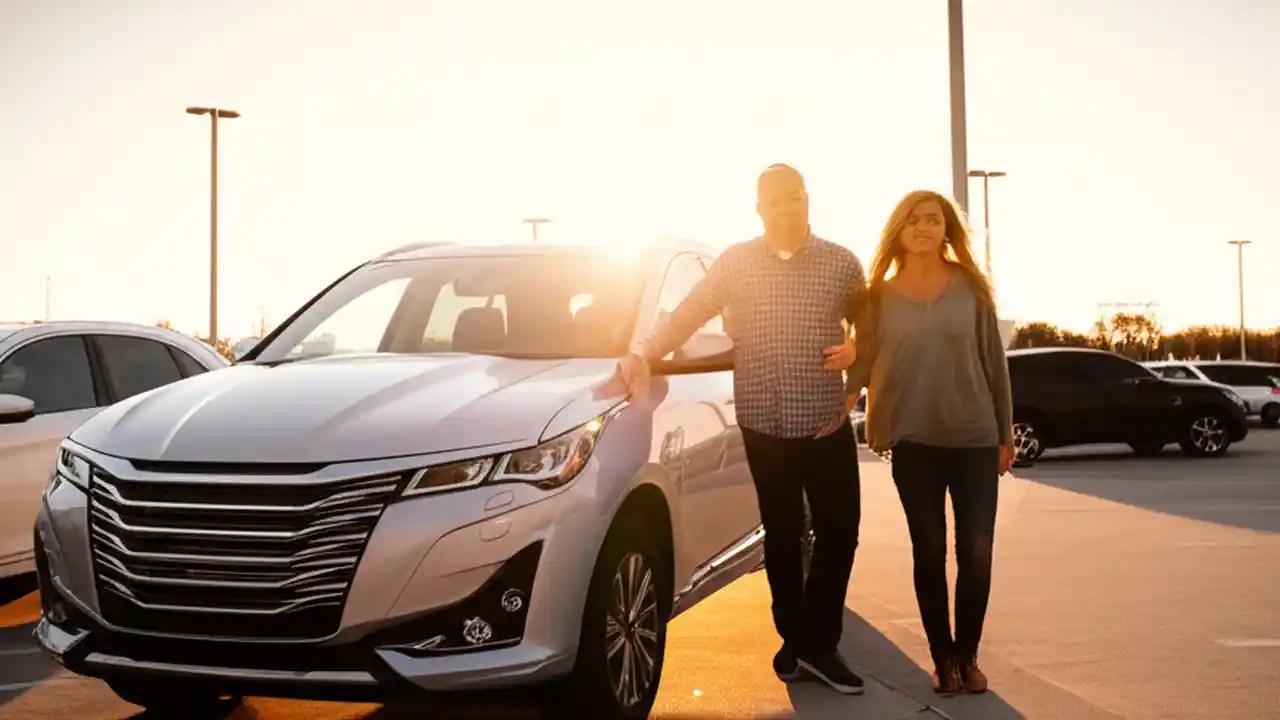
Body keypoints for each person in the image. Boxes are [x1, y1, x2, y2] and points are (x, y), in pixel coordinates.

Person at [615, 164, 867, 695]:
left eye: (794, 198)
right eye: (774, 201)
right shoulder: (736, 264)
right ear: (759, 209)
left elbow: (873, 323)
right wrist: (645, 351)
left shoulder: (841, 264)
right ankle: (799, 641)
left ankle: (815, 641)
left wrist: (859, 350)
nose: (786, 208)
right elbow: (688, 312)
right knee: (781, 535)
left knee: (840, 532)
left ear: (807, 200)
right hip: (764, 421)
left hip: (826, 419)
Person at [844, 189, 1015, 696]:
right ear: (898, 230)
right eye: (914, 220)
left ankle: (969, 656)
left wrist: (1005, 431)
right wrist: (845, 398)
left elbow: (995, 363)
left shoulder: (972, 289)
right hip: (914, 439)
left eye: (934, 220)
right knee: (928, 550)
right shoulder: (878, 295)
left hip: (975, 437)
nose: (924, 228)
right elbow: (865, 358)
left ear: (947, 230)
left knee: (977, 551)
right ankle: (942, 659)